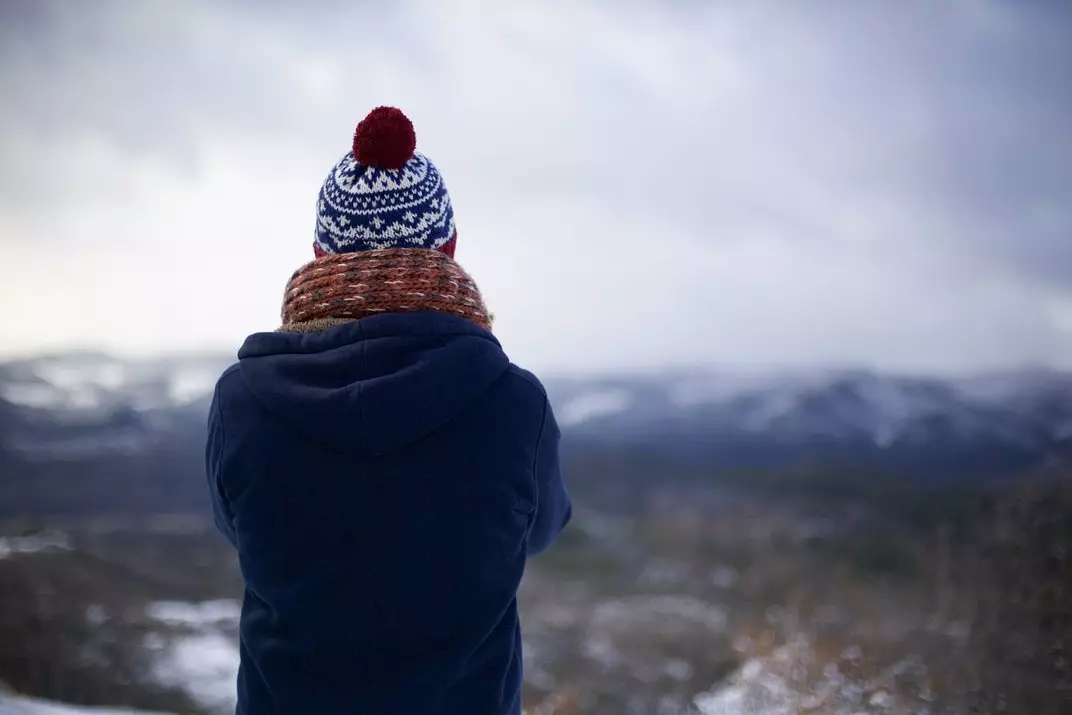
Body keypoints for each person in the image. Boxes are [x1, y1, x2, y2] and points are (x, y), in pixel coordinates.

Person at [205, 107, 572, 715]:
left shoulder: (240, 401)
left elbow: (235, 527)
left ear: (320, 252)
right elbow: (539, 529)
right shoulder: (515, 404)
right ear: (448, 248)